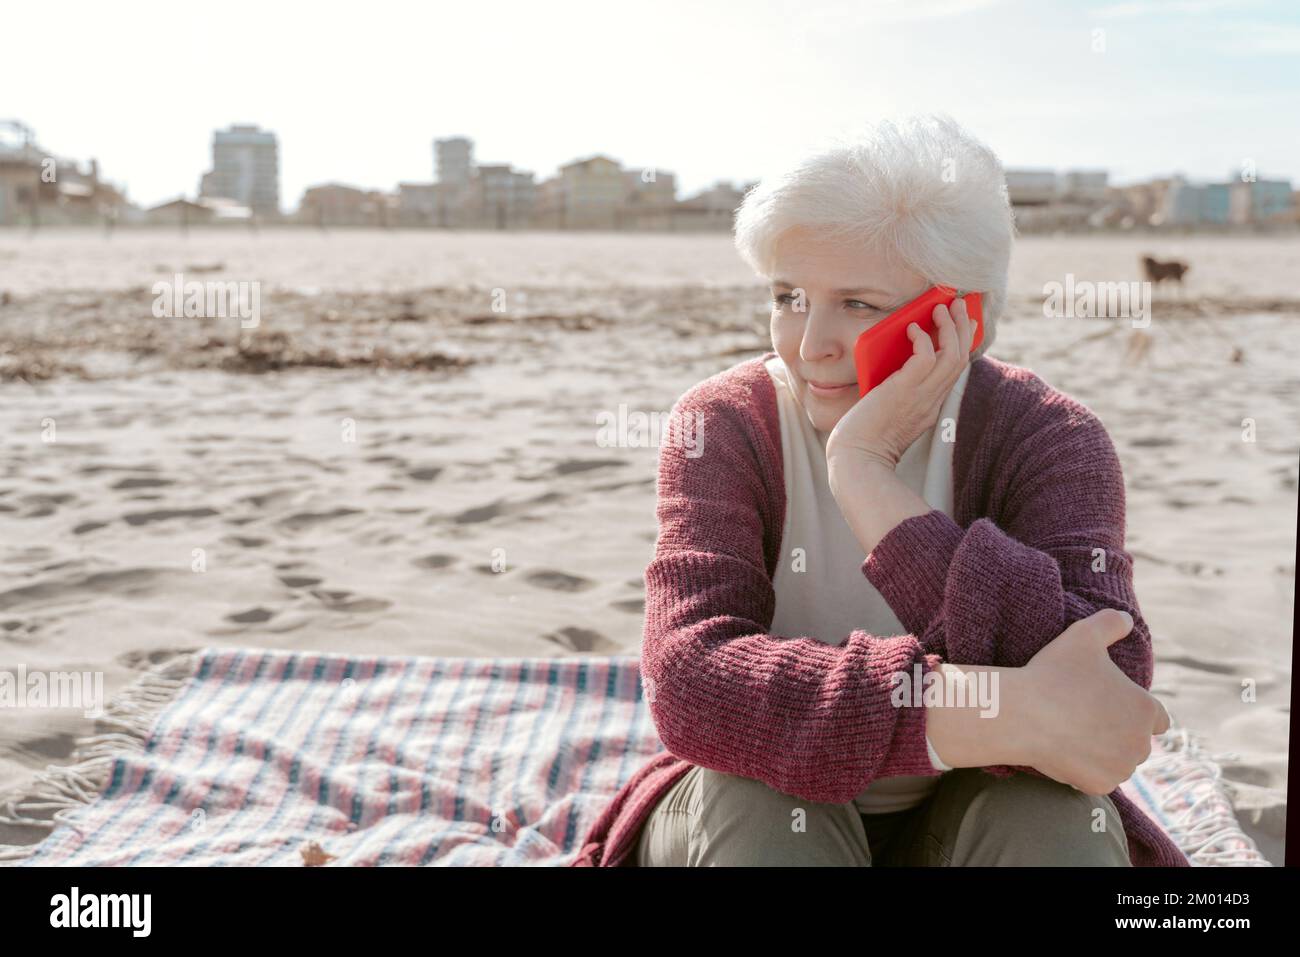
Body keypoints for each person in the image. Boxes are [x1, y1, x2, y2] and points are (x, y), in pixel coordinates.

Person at [571, 114, 1185, 867]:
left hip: (967, 811)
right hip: (761, 807)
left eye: (857, 304)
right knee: (762, 812)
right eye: (789, 295)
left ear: (963, 317)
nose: (808, 342)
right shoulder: (724, 423)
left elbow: (1111, 693)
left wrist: (866, 475)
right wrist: (999, 709)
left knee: (1054, 824)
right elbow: (689, 683)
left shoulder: (1050, 436)